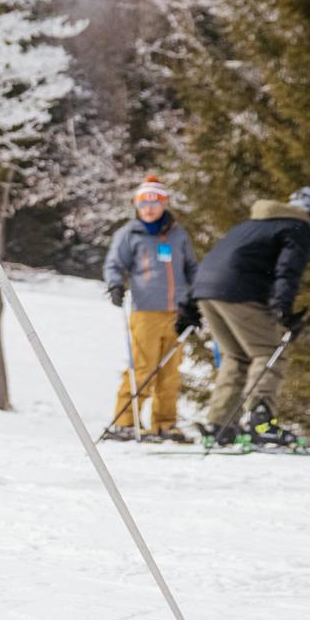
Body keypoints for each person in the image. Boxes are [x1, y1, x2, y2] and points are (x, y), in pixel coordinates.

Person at [189, 186, 310, 448]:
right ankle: (261, 421)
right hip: (238, 291)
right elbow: (287, 271)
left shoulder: (253, 224)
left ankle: (219, 425)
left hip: (206, 290)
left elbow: (217, 257)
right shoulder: (299, 226)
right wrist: (284, 311)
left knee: (237, 356)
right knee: (269, 351)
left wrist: (188, 303)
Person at [101, 176, 199, 443]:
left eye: (154, 203)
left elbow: (192, 267)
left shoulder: (178, 235)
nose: (148, 208)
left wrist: (198, 294)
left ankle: (164, 424)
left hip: (176, 312)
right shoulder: (130, 234)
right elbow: (114, 264)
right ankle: (125, 421)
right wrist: (115, 285)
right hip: (145, 311)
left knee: (170, 372)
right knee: (143, 367)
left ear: (163, 204)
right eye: (143, 203)